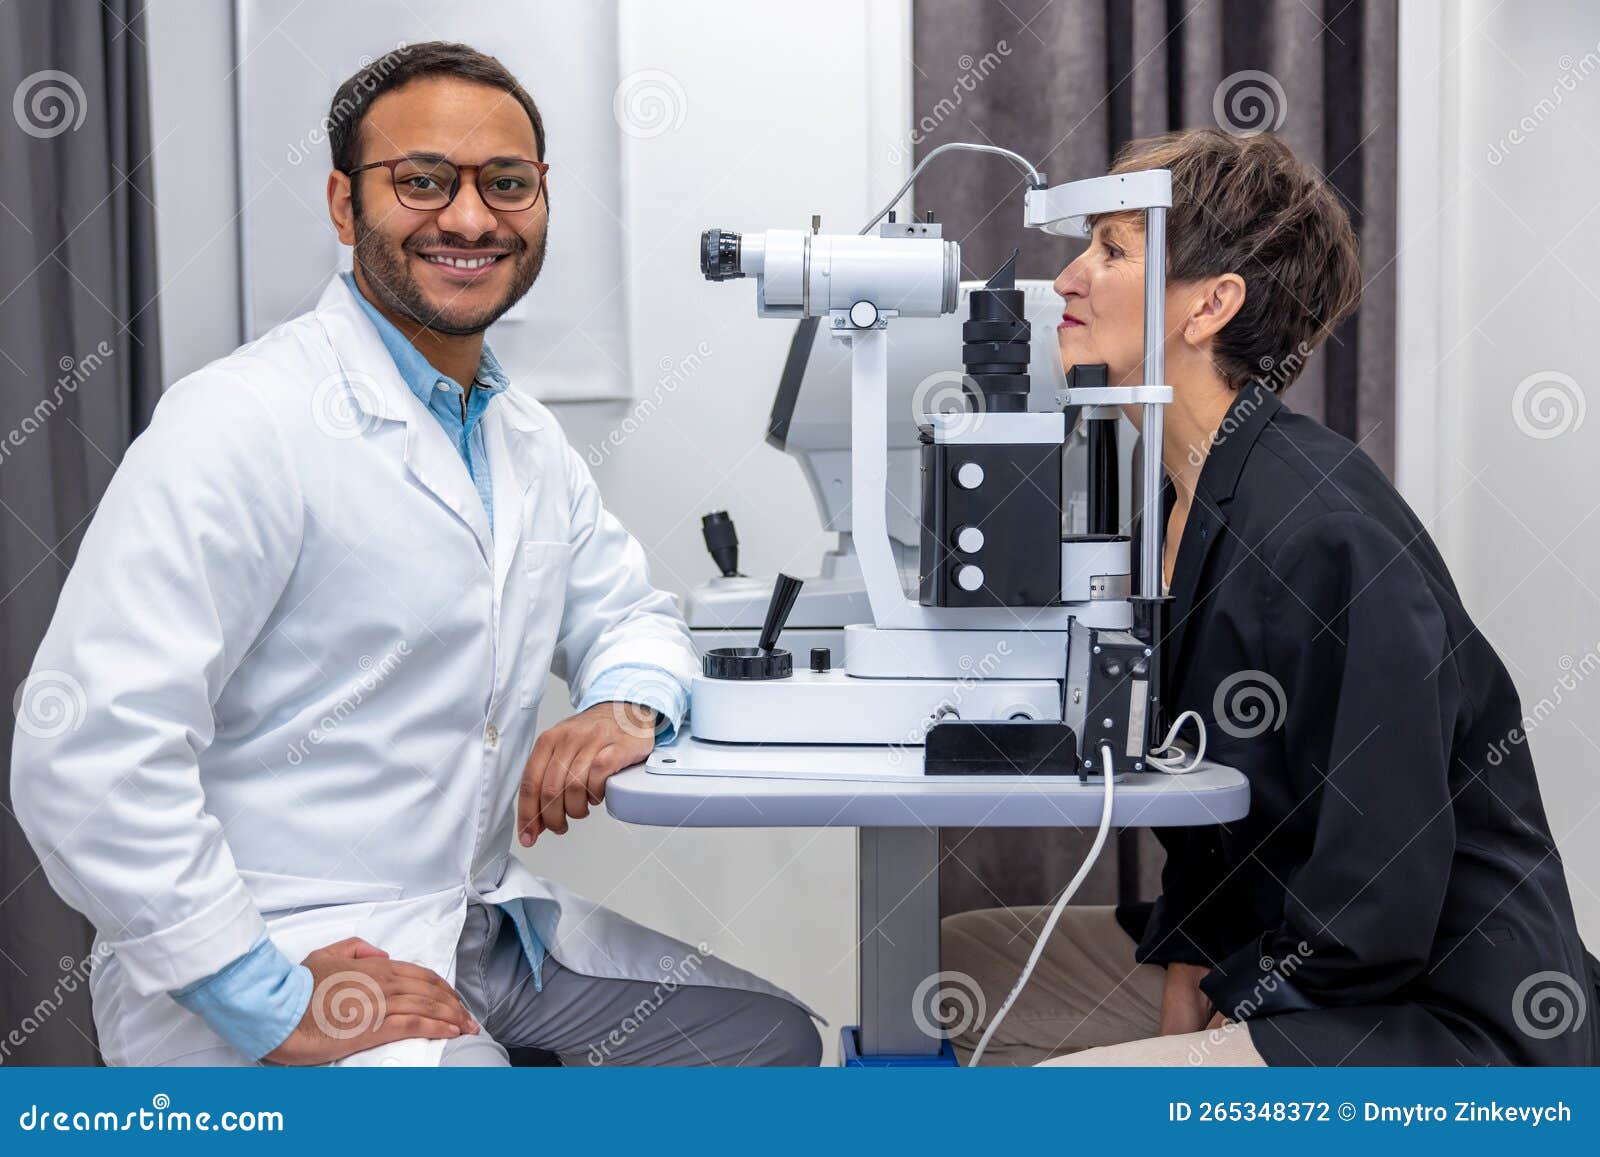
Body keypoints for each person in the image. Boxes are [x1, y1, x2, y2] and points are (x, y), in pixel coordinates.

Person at [11, 41, 819, 1069]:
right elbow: (83, 749)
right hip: (283, 940)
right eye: (423, 181)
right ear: (346, 207)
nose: (472, 218)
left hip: (473, 923)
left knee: (768, 1043)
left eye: (507, 184)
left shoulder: (520, 438)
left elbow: (629, 614)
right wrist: (262, 996)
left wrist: (627, 700)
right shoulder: (240, 423)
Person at [942, 127, 1599, 1067]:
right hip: (1292, 953)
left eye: (1113, 249)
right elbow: (1231, 811)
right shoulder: (1180, 502)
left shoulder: (1322, 531)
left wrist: (1250, 1002)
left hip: (1438, 1014)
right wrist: (1188, 953)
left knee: (1043, 1110)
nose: (1069, 279)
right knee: (966, 956)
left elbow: (1383, 881)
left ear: (1210, 305)